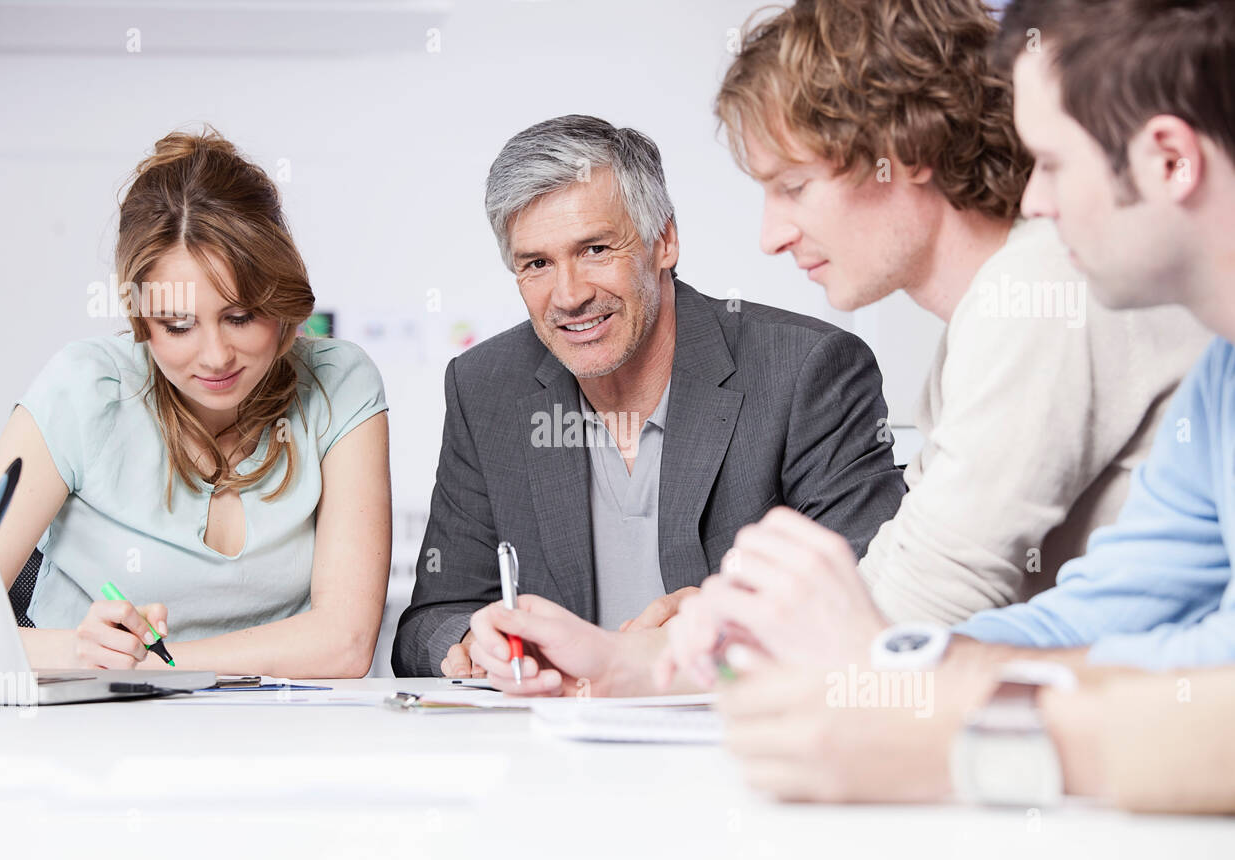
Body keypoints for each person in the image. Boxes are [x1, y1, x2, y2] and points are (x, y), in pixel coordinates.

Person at [685, 0, 1235, 806]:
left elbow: (1202, 667)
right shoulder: (1219, 373)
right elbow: (1110, 612)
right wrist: (904, 671)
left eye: (1051, 163)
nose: (1036, 202)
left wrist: (960, 723)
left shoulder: (1038, 286)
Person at [393, 114, 906, 684]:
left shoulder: (808, 370)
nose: (568, 295)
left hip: (738, 741)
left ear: (664, 240)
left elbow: (874, 599)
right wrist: (472, 642)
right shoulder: (486, 385)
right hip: (550, 755)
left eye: (594, 249)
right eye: (537, 263)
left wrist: (724, 628)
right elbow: (429, 621)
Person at [0, 128, 392, 678]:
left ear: (281, 299)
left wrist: (154, 663)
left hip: (278, 731)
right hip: (88, 729)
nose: (216, 356)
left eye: (241, 317)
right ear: (140, 319)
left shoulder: (341, 382)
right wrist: (79, 652)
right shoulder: (82, 388)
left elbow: (345, 643)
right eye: (178, 325)